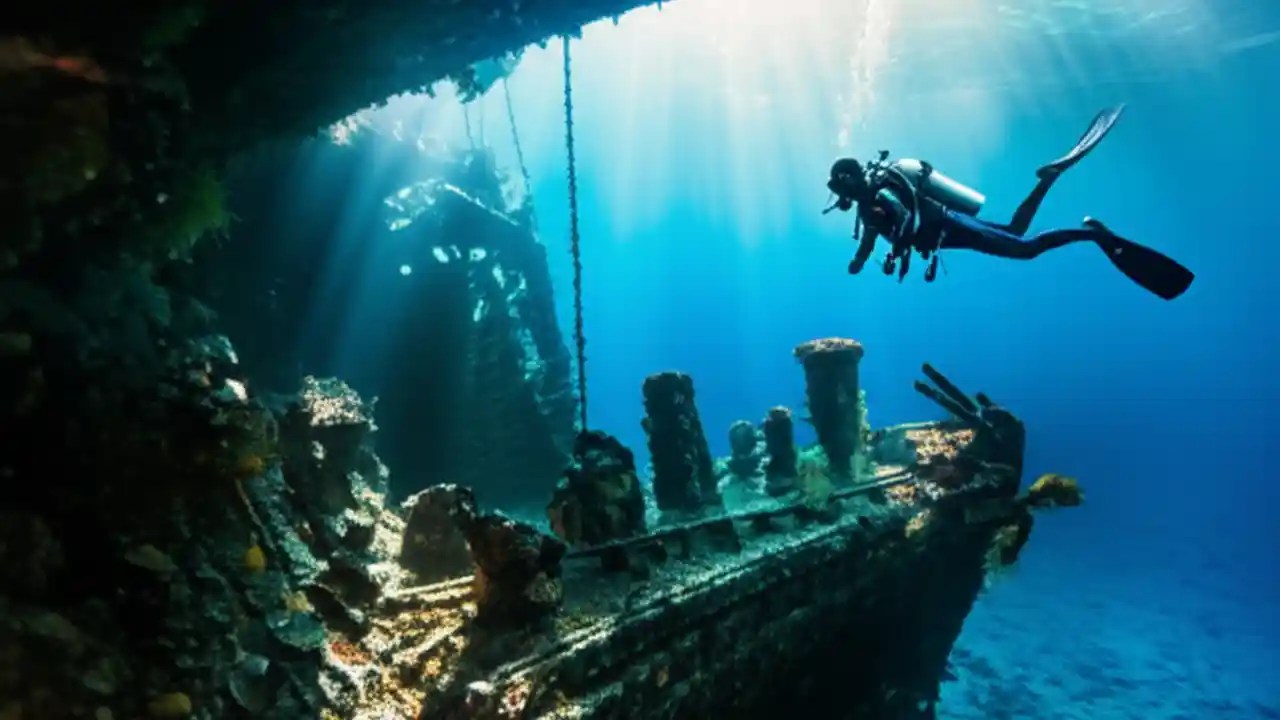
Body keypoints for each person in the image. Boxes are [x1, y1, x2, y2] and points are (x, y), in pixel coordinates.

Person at [824, 105, 1195, 300]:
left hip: (947, 226)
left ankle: (1091, 234)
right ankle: (1048, 180)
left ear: (849, 183)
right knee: (1017, 232)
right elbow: (874, 236)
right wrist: (859, 258)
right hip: (947, 230)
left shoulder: (877, 198)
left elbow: (899, 220)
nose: (841, 196)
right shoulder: (868, 202)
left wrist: (874, 254)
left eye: (840, 188)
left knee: (1026, 249)